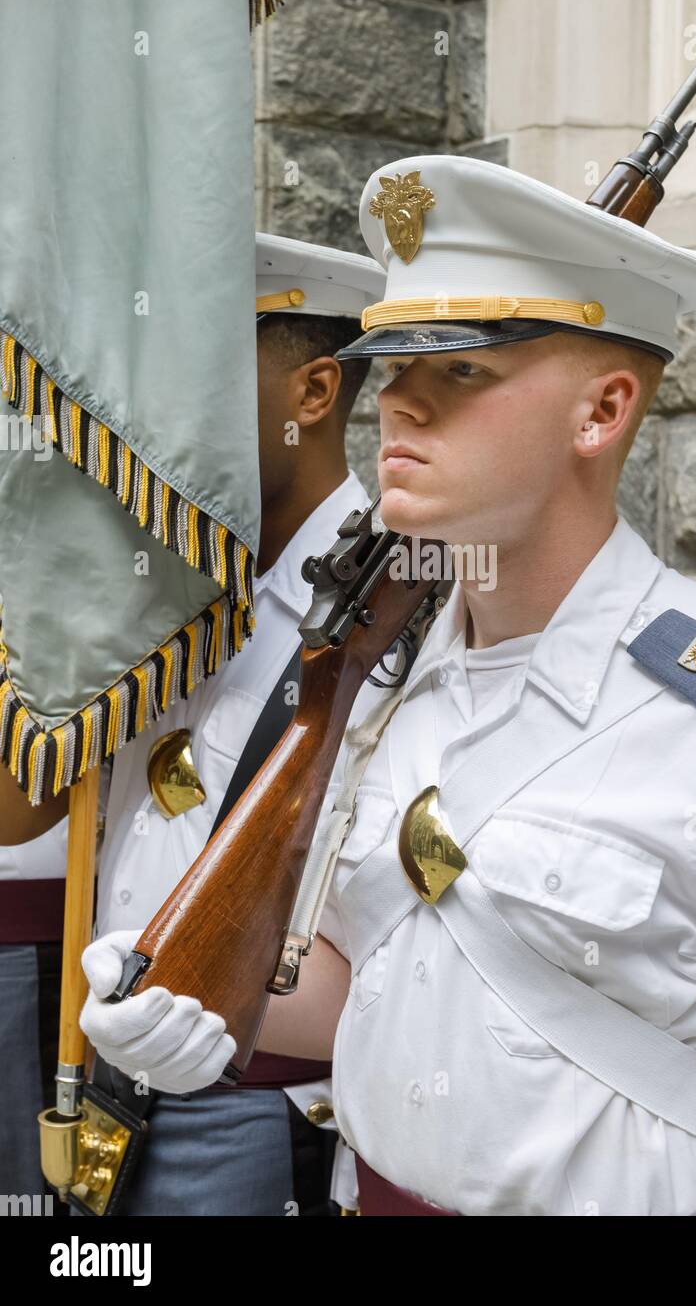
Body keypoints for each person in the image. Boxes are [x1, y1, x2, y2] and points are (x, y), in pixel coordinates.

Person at [80, 156, 696, 1216]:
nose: (399, 399)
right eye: (396, 360)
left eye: (462, 369)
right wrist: (177, 999)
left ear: (600, 411)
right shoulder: (396, 678)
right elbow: (389, 984)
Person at [1, 233, 382, 1216]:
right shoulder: (156, 573)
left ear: (313, 393)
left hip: (261, 1099)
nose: (155, 408)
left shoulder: (402, 597)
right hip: (105, 1071)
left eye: (194, 374)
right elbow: (17, 811)